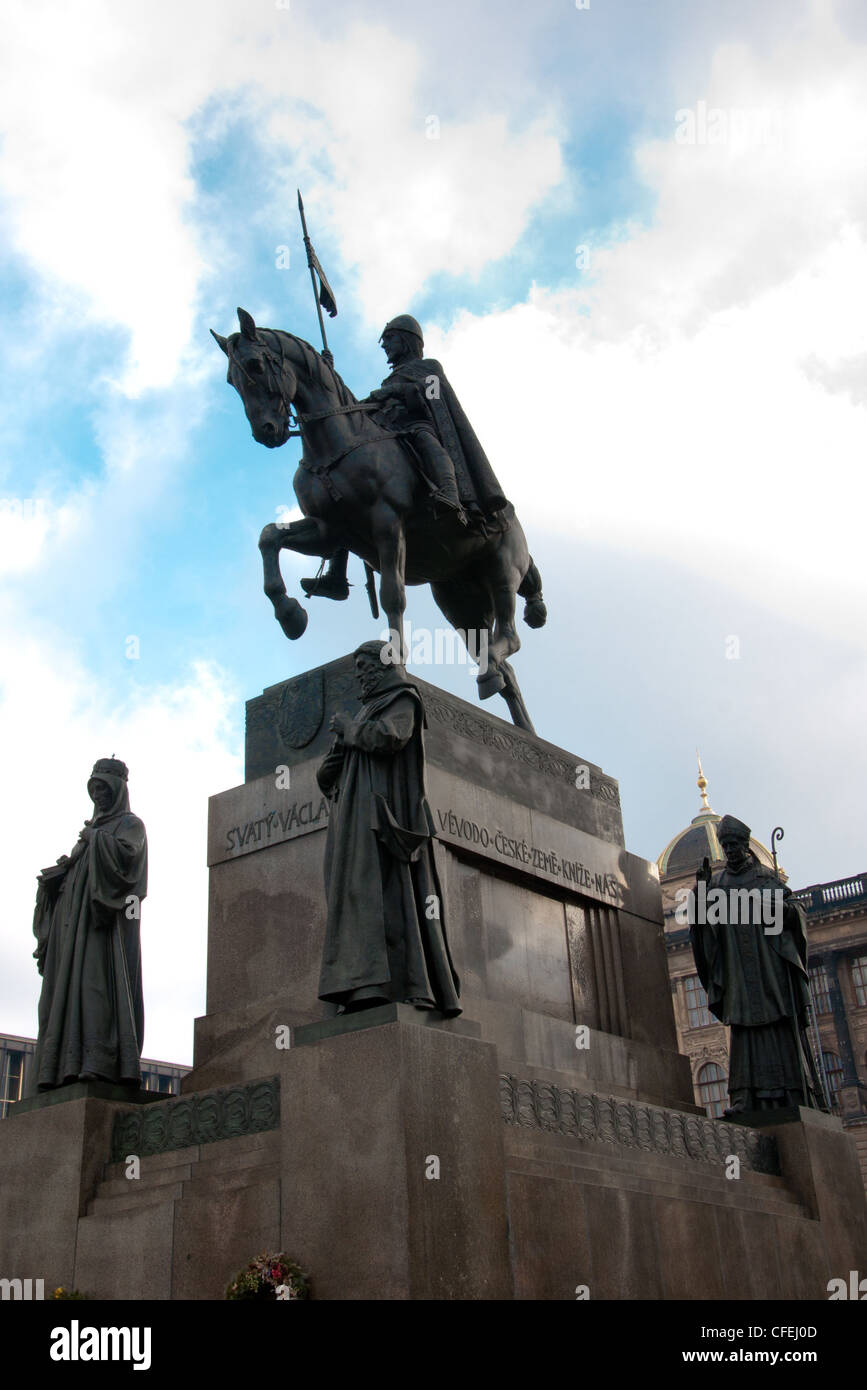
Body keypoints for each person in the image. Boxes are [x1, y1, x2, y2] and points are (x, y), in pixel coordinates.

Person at [302, 314, 510, 600]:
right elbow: (357, 408)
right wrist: (329, 372)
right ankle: (336, 574)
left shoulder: (428, 367)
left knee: (428, 444)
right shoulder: (389, 378)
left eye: (389, 340)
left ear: (408, 340)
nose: (385, 346)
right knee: (346, 488)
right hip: (387, 431)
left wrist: (397, 391)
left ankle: (449, 491)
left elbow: (433, 393)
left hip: (416, 427)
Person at [316, 641, 461, 1016]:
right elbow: (331, 772)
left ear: (384, 667)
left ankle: (402, 984)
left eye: (365, 667)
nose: (360, 675)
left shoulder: (403, 700)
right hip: (352, 825)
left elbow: (392, 737)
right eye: (358, 669)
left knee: (391, 903)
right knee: (355, 899)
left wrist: (351, 731)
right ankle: (360, 986)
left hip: (386, 824)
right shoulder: (366, 710)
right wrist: (336, 752)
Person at [690, 813, 824, 1115]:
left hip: (768, 968)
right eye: (727, 847)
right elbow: (703, 928)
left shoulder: (765, 879)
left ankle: (792, 1092)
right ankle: (744, 1096)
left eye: (735, 845)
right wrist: (700, 891)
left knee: (777, 1025)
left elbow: (794, 913)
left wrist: (785, 912)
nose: (731, 851)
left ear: (745, 845)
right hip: (738, 968)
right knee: (744, 1030)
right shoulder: (718, 883)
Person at [31, 758, 147, 1090]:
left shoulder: (129, 824)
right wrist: (60, 875)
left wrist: (94, 841)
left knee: (95, 988)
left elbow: (128, 861)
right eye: (93, 788)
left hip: (100, 923)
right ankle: (62, 1066)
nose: (98, 794)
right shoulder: (91, 831)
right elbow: (80, 868)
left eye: (103, 788)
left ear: (118, 789)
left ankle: (99, 1061)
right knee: (62, 993)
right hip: (72, 924)